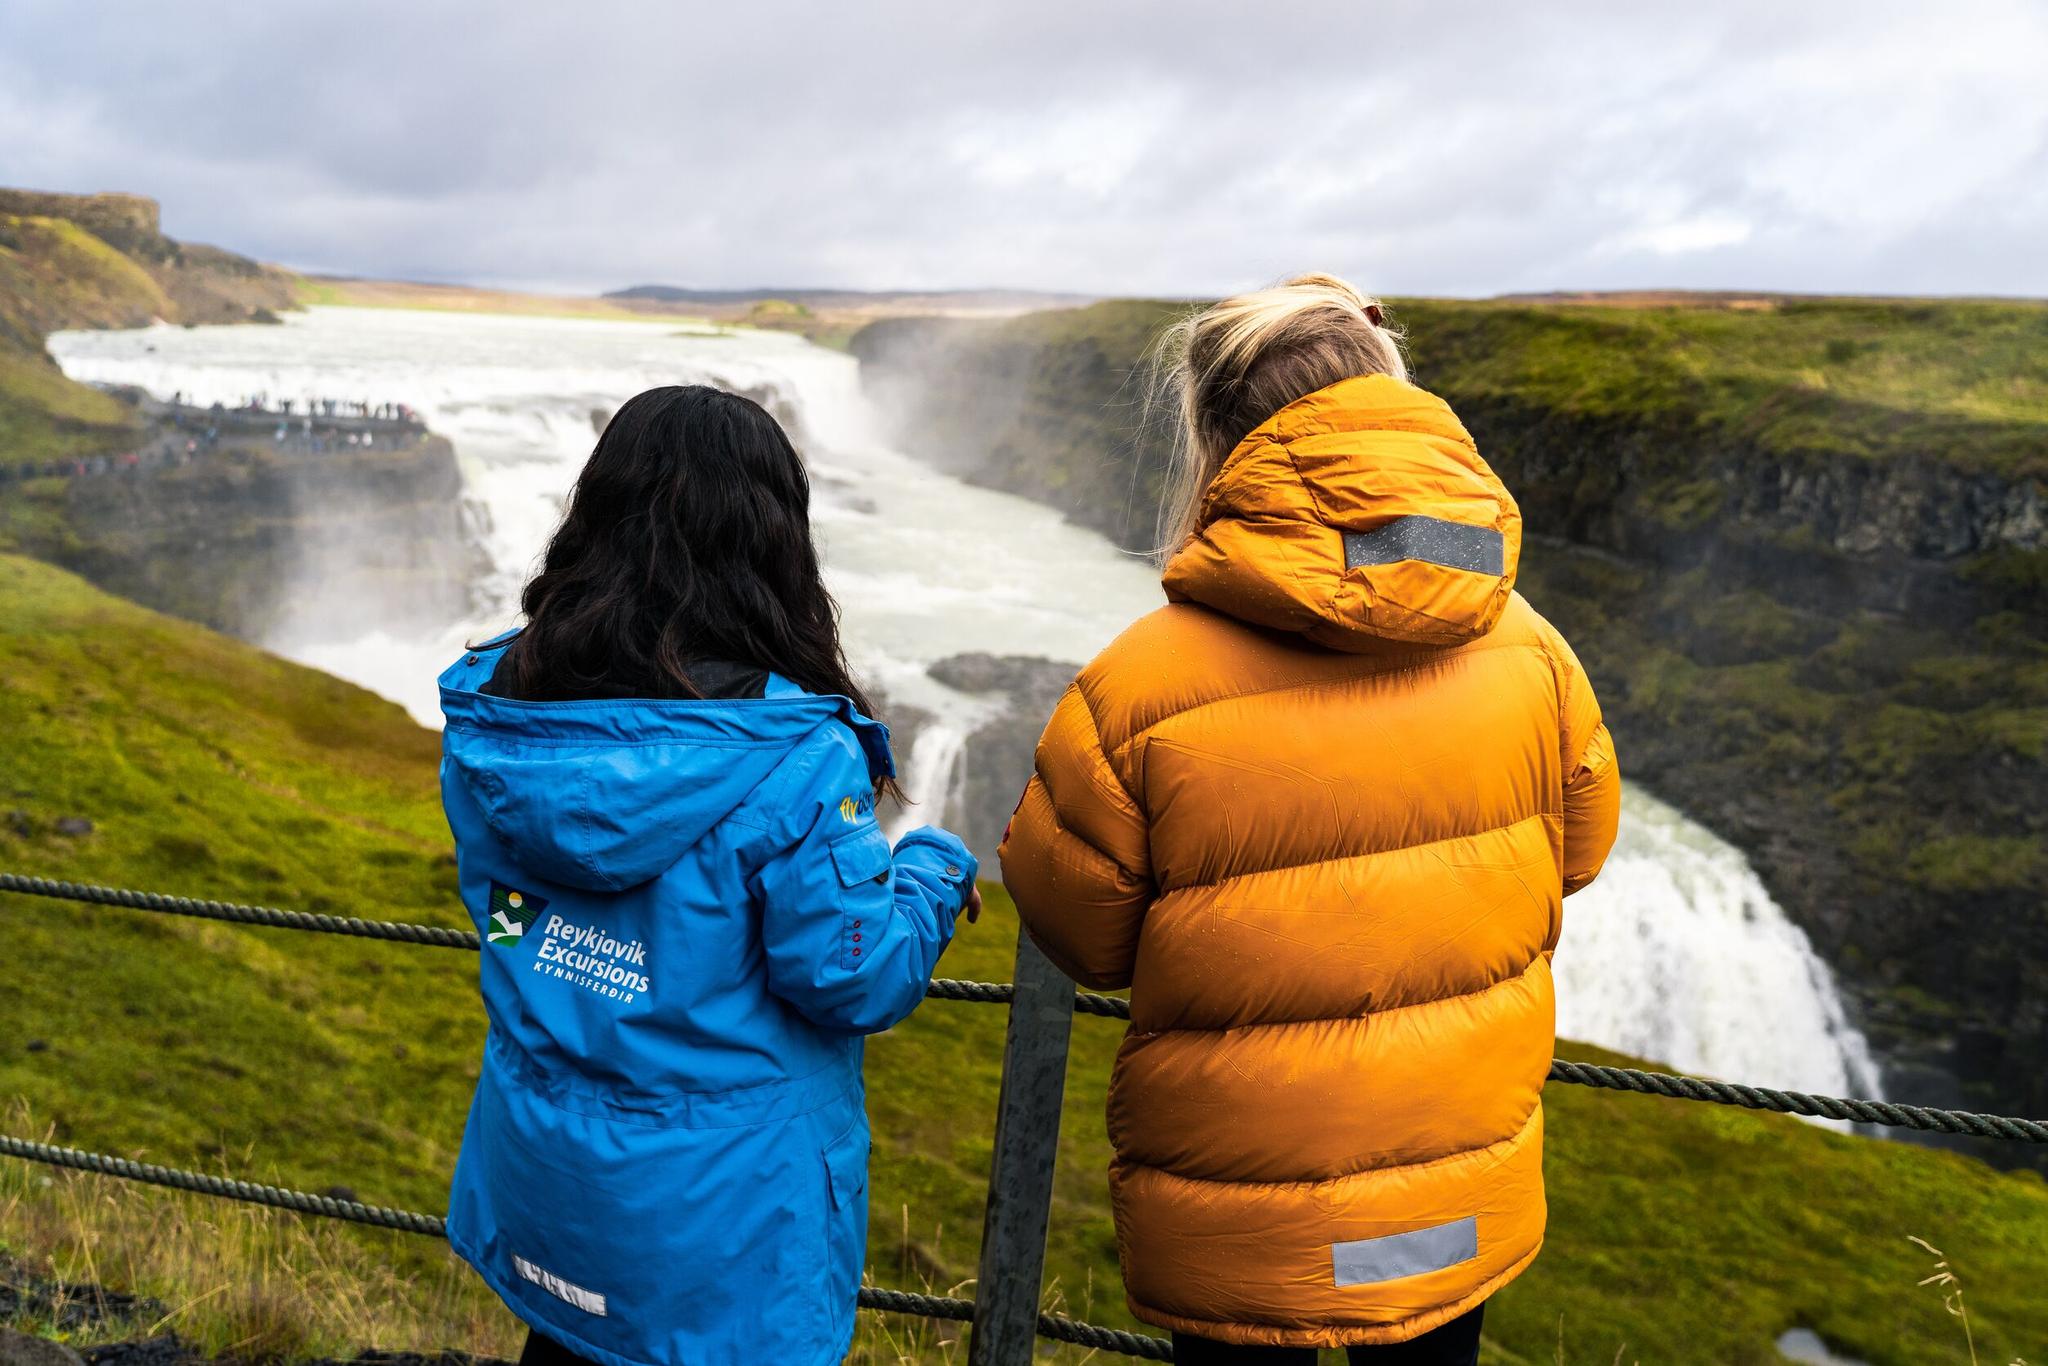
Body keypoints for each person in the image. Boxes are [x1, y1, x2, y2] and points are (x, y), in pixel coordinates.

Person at [1000, 275, 1622, 1366]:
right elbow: (1578, 849)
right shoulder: (1535, 649)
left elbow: (1082, 936)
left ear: (1214, 442)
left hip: (1240, 1211)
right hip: (1455, 1178)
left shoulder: (1134, 690)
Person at [437, 385, 980, 1366]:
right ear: (769, 536)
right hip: (720, 1218)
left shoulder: (499, 715)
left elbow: (513, 917)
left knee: (565, 1348)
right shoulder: (790, 749)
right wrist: (932, 870)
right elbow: (851, 973)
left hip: (549, 1172)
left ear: (595, 513)